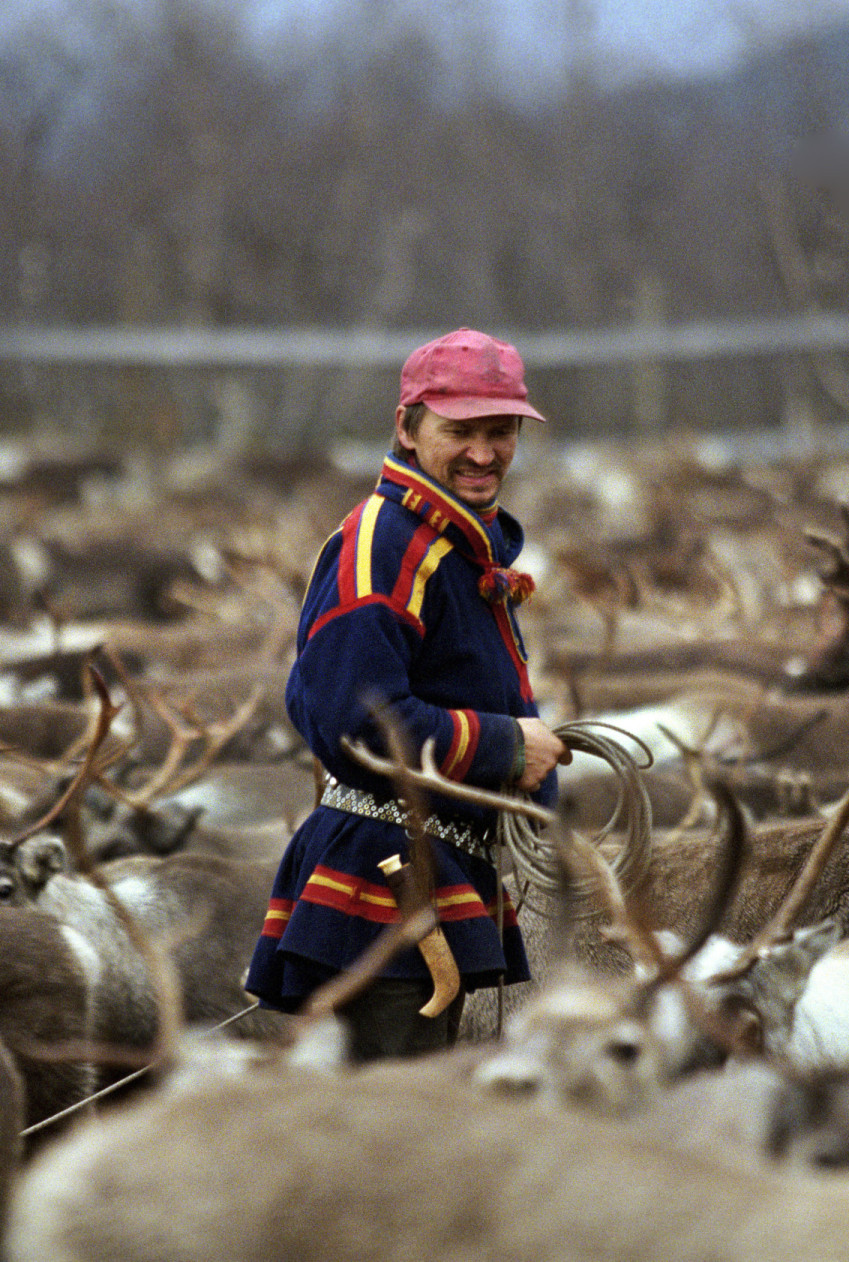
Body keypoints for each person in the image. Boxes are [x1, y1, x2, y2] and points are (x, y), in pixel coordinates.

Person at [243, 327, 571, 1060]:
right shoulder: (385, 543)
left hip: (431, 871)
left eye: (501, 431)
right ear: (408, 427)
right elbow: (355, 724)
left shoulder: (455, 544)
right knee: (397, 1135)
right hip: (384, 891)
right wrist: (508, 746)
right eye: (460, 431)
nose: (484, 453)